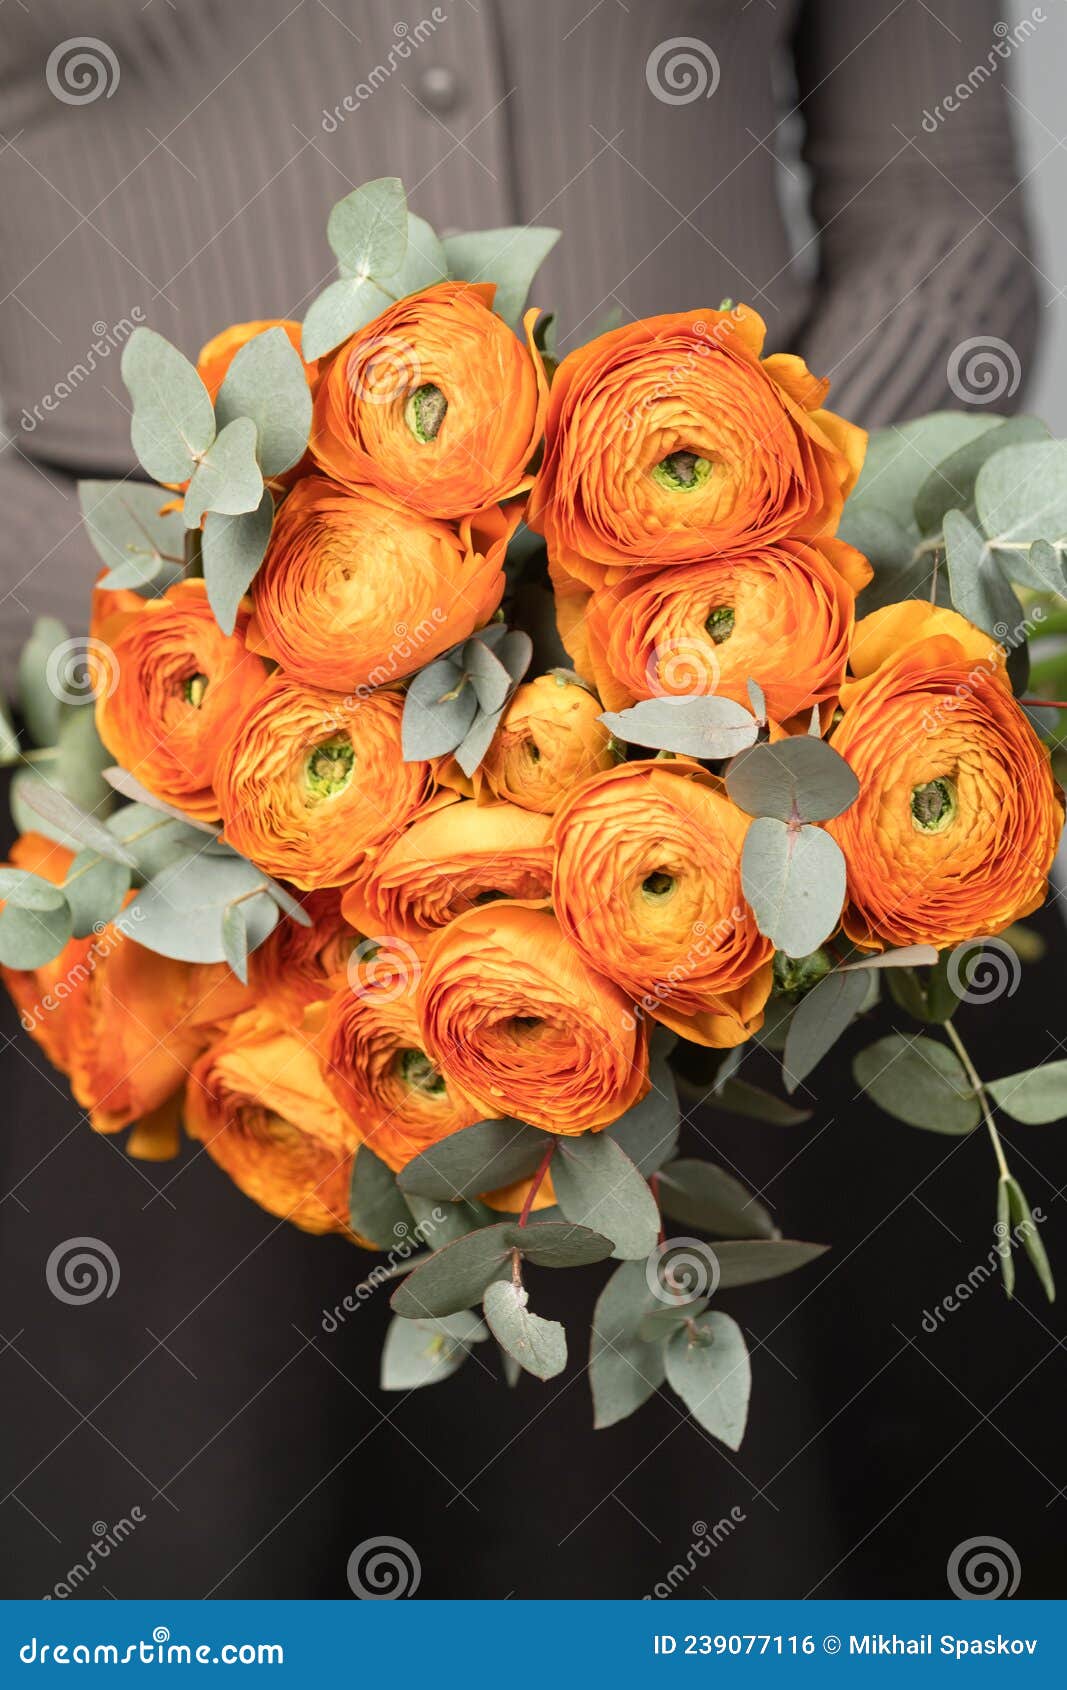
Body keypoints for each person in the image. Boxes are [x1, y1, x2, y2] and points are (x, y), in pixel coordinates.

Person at [0, 1, 1048, 1601]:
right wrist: (211, 671)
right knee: (202, 1549)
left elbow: (942, 217)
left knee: (774, 1559)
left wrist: (759, 593)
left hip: (760, 855)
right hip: (164, 864)